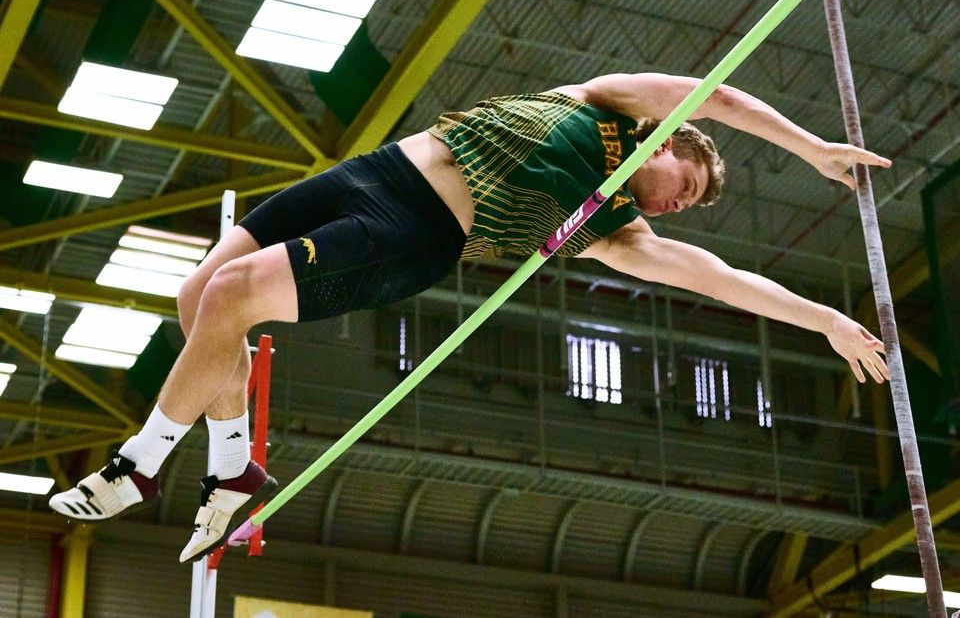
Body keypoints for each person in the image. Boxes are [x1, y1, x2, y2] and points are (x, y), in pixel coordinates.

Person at [49, 72, 891, 561]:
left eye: (689, 207)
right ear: (666, 144)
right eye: (687, 189)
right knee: (198, 300)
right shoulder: (604, 103)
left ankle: (139, 464)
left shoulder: (615, 235)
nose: (678, 208)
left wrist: (819, 317)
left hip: (410, 233)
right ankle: (233, 467)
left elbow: (719, 279)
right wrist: (813, 149)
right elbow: (723, 100)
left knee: (233, 300)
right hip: (376, 170)